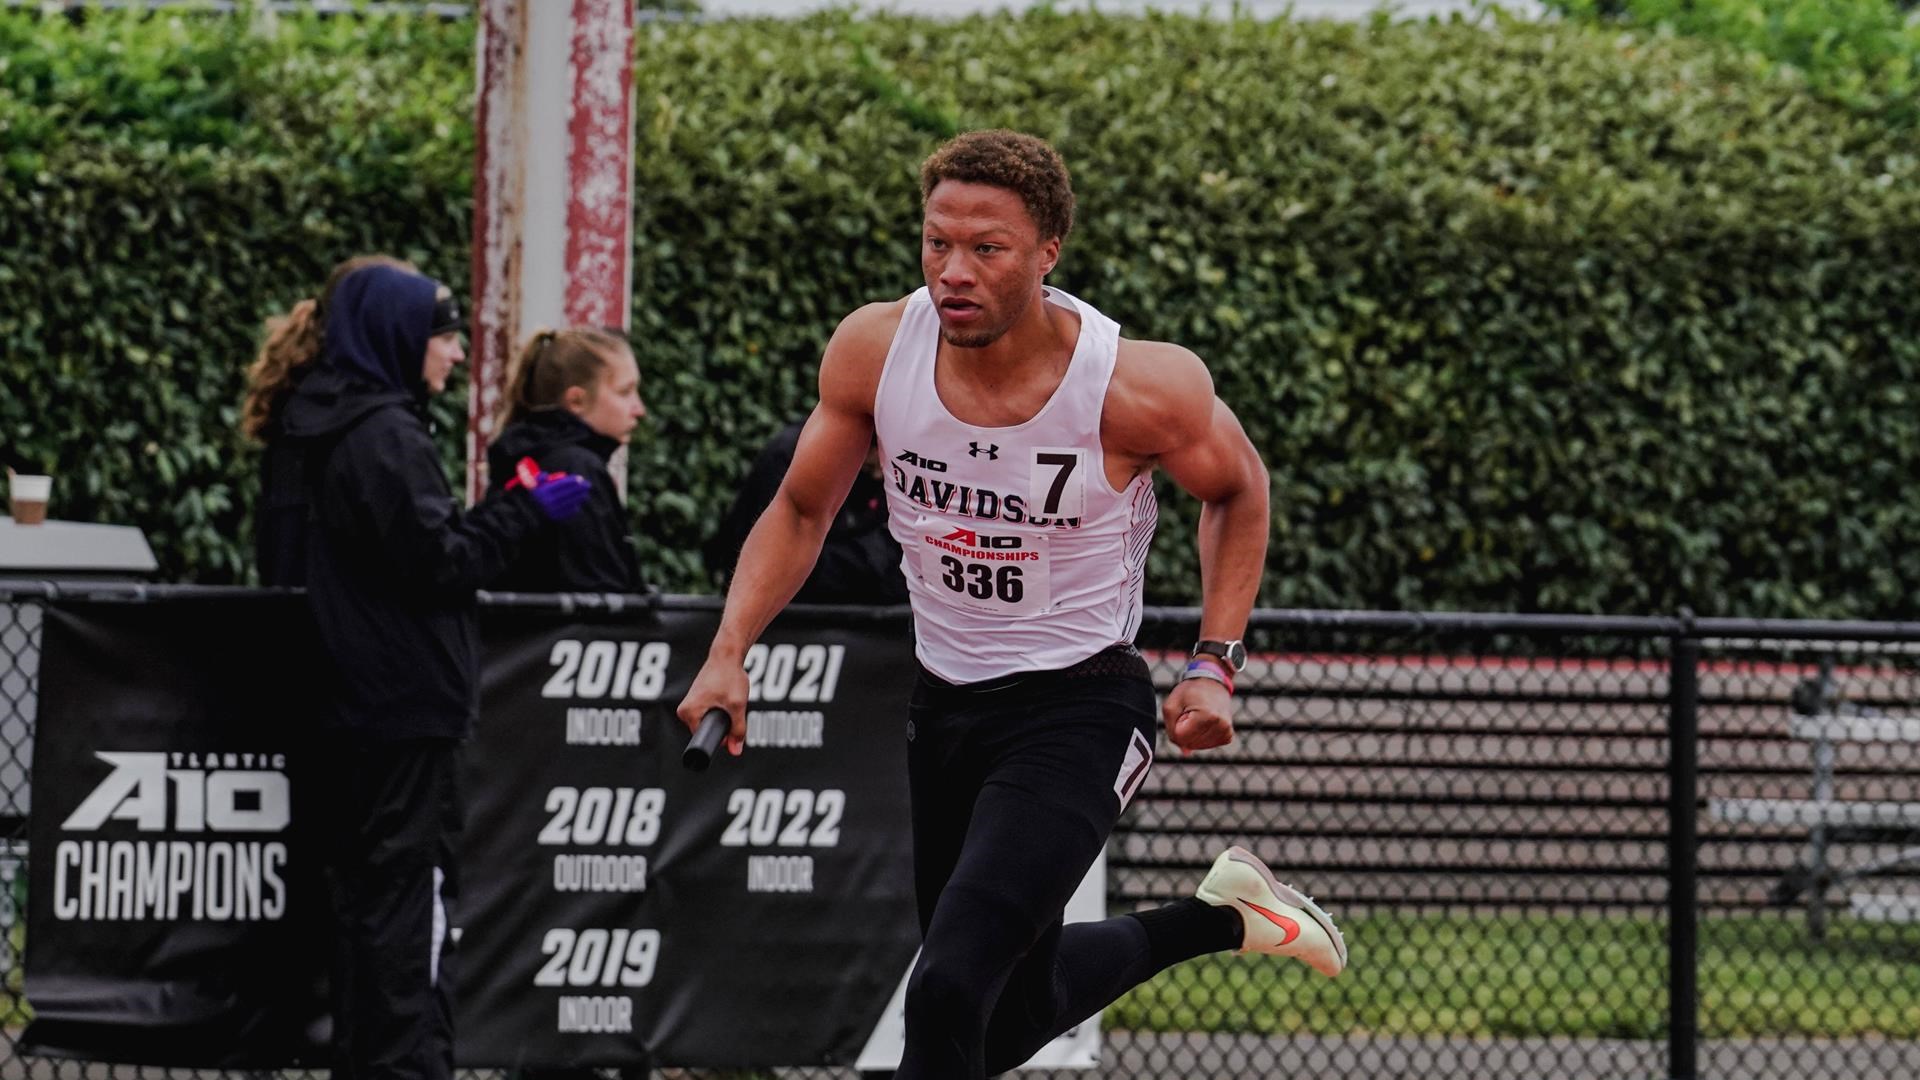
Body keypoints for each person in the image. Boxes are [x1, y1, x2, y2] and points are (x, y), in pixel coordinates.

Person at [675, 130, 1347, 1080]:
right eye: (936, 242)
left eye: (986, 249)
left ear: (1047, 253)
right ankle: (1226, 920)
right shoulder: (876, 349)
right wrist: (729, 647)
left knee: (947, 990)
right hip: (943, 705)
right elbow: (800, 506)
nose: (954, 271)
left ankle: (1224, 918)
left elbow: (1237, 489)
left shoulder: (1132, 386)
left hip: (1080, 705)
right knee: (994, 1015)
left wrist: (1213, 662)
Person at [245, 258, 591, 1080]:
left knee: (364, 910)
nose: (456, 354)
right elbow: (437, 557)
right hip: (402, 711)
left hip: (336, 703)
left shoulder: (308, 424)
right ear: (397, 338)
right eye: (443, 335)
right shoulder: (383, 432)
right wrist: (522, 510)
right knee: (408, 915)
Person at [486, 326, 648, 593]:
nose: (638, 409)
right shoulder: (577, 469)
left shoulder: (523, 458)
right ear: (576, 401)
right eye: (625, 392)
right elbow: (601, 593)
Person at [704, 420, 908, 605]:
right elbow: (776, 564)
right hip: (780, 614)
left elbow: (901, 560)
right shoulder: (792, 456)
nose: (880, 474)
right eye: (873, 466)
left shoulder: (897, 470)